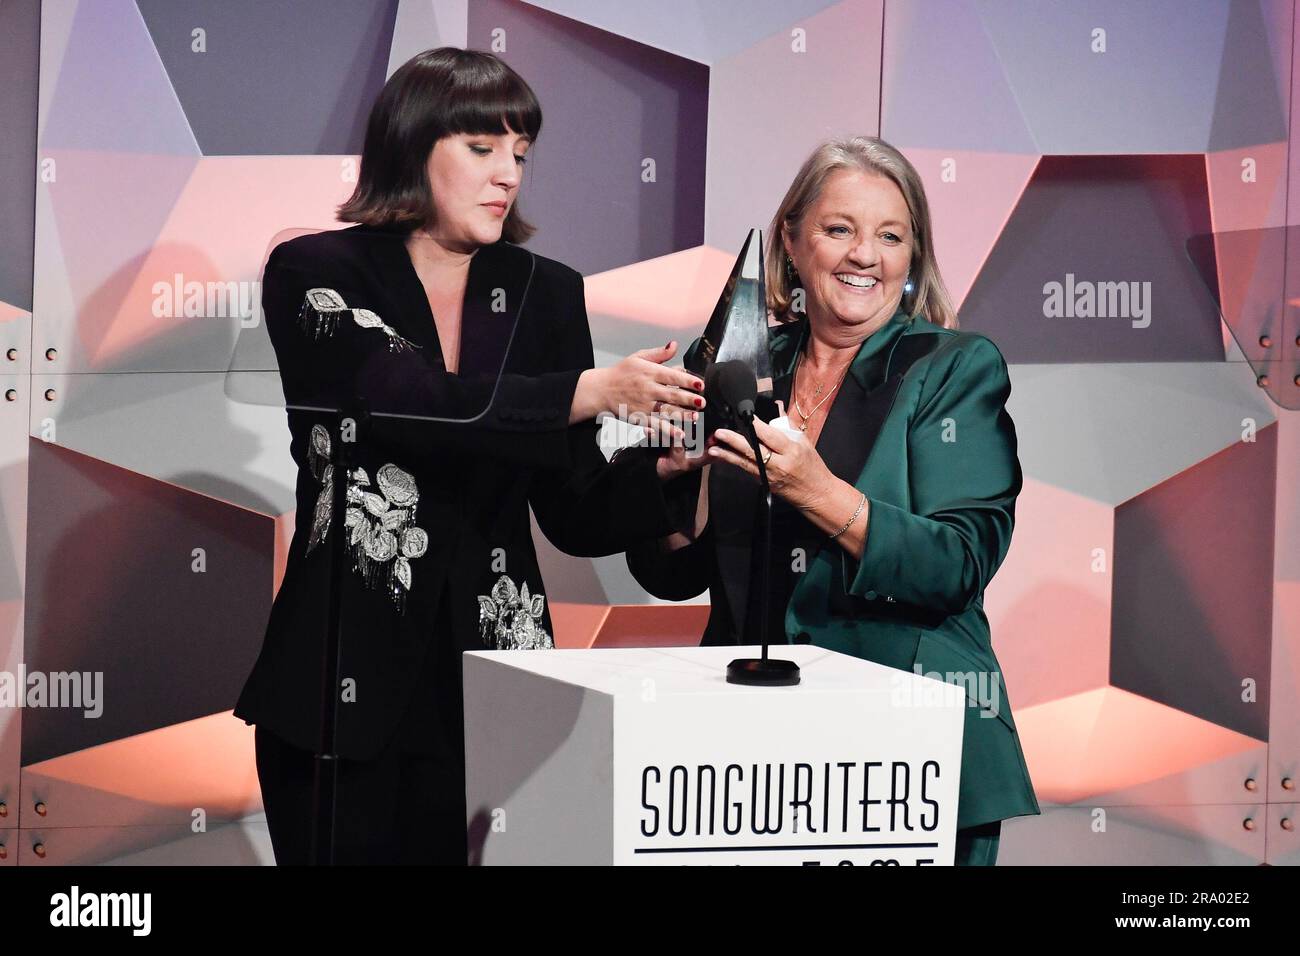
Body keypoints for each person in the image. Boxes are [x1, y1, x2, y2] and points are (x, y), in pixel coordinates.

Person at [233, 47, 705, 865]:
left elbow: (573, 505)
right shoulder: (314, 271)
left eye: (520, 154)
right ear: (414, 146)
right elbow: (404, 401)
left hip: (497, 682)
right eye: (482, 149)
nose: (508, 175)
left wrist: (664, 476)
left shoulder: (546, 290)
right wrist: (589, 391)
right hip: (339, 684)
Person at [626, 135, 1040, 866]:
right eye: (840, 229)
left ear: (913, 257)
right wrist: (671, 484)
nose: (865, 257)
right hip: (749, 759)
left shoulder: (951, 368)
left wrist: (817, 493)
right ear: (791, 238)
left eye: (891, 236)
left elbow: (957, 562)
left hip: (907, 761)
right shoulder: (747, 360)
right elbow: (674, 577)